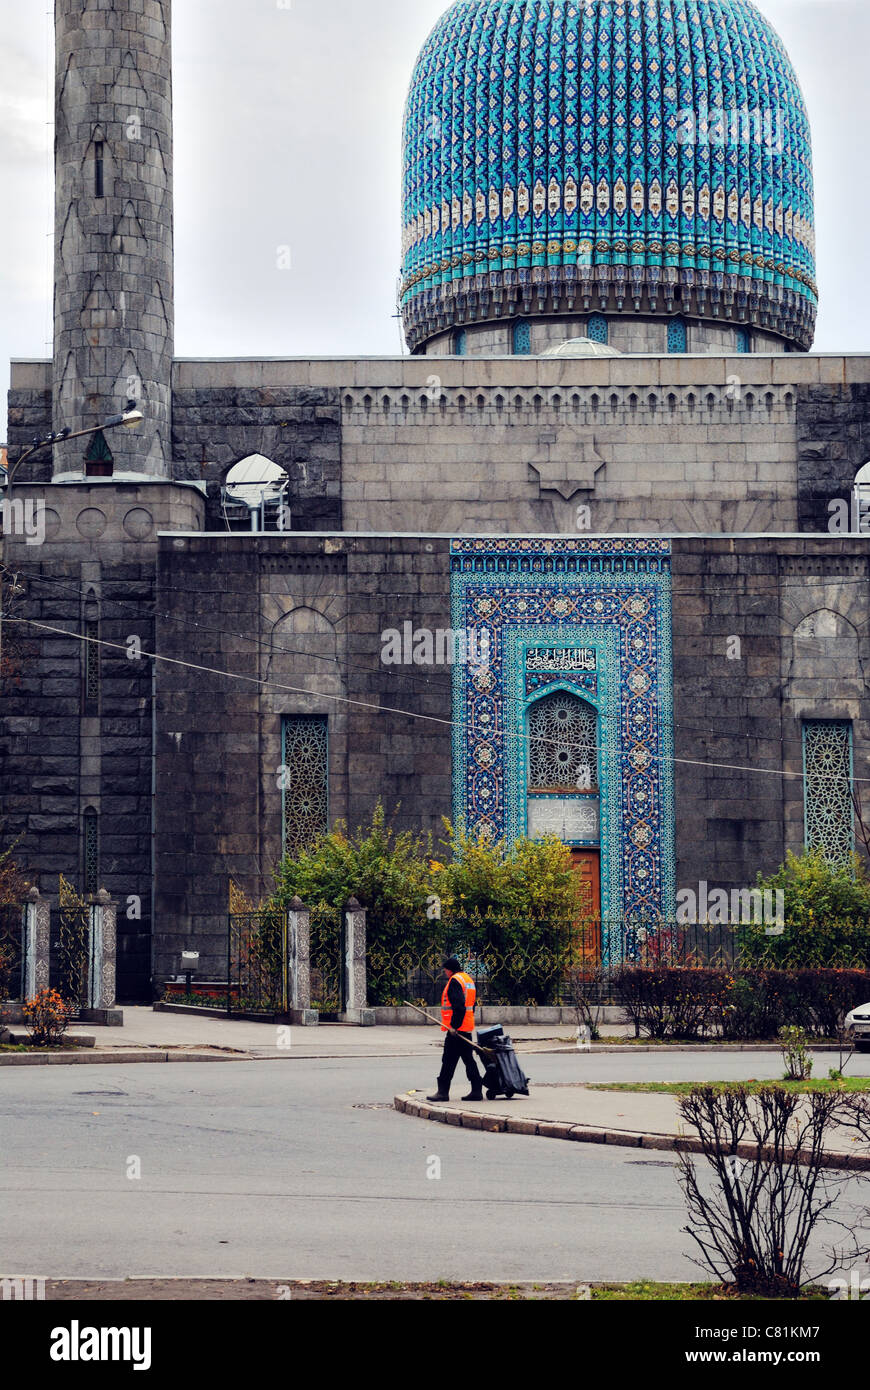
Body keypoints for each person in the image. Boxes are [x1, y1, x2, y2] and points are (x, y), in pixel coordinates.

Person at [427, 957, 484, 1102]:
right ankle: (477, 1090)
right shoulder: (468, 980)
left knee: (448, 1060)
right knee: (468, 1059)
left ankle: (443, 1092)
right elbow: (471, 1005)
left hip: (456, 1030)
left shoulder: (454, 981)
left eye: (445, 970)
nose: (444, 972)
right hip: (466, 1027)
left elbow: (459, 1006)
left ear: (450, 969)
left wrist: (454, 1026)